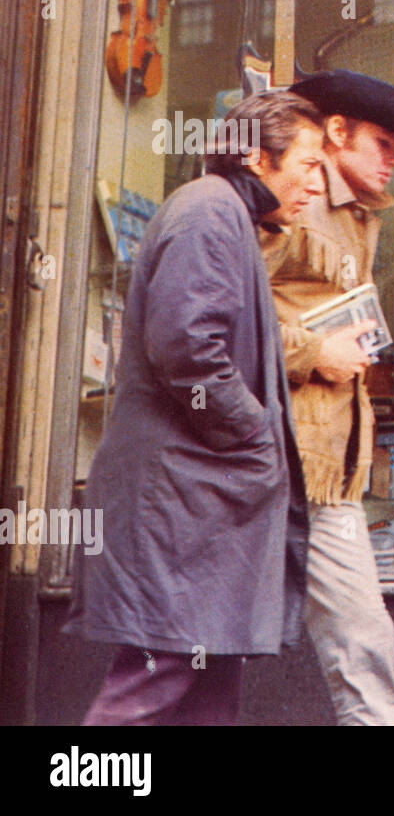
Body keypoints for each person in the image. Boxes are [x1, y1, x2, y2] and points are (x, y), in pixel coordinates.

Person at [65, 90, 328, 725]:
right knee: (151, 688)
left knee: (204, 695)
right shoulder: (211, 211)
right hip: (183, 511)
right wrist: (256, 433)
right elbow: (186, 347)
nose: (318, 184)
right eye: (309, 164)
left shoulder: (220, 213)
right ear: (259, 160)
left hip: (197, 509)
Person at [261, 70, 394, 725]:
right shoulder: (296, 200)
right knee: (365, 648)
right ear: (336, 132)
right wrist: (315, 354)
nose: (393, 159)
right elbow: (219, 308)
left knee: (363, 646)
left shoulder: (360, 214)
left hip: (323, 465)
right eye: (384, 141)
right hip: (284, 462)